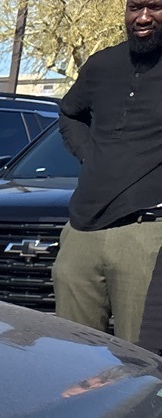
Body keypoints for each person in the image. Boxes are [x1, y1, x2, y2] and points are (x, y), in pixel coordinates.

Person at [55, 0, 162, 344]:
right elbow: (70, 113)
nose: (143, 17)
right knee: (73, 354)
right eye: (135, 7)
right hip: (82, 231)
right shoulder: (102, 65)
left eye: (155, 7)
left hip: (147, 234)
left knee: (143, 359)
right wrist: (90, 156)